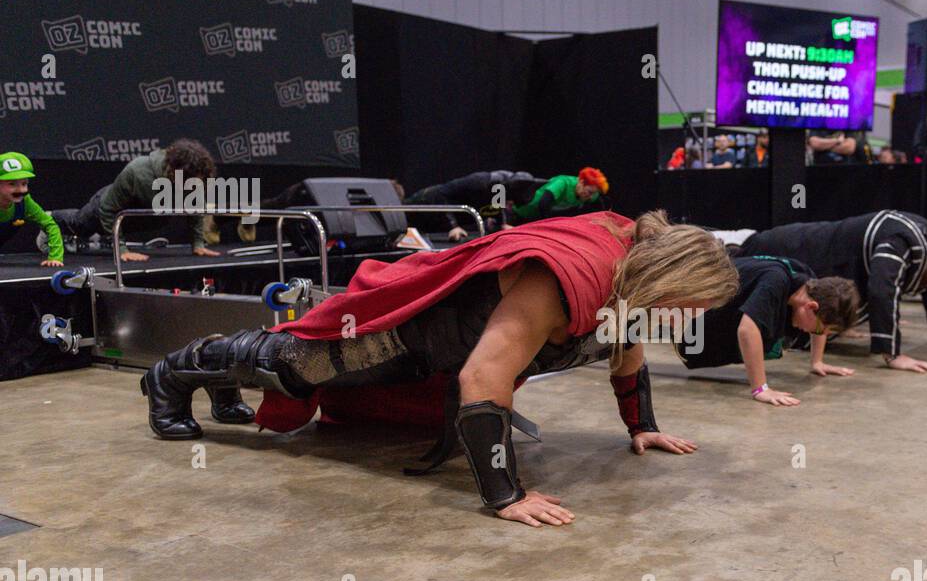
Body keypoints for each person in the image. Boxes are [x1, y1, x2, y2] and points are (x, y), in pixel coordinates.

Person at [140, 210, 739, 527]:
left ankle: (216, 390)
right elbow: (483, 380)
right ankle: (169, 376)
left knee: (287, 368)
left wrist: (641, 425)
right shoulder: (563, 281)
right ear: (669, 281)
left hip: (438, 348)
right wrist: (505, 495)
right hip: (402, 331)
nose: (691, 318)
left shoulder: (633, 285)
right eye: (693, 304)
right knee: (289, 365)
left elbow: (624, 346)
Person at [739, 210, 927, 373]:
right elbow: (882, 289)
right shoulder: (905, 240)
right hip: (790, 247)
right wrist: (893, 354)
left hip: (821, 260)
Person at [675, 256, 859, 406]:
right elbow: (747, 329)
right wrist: (760, 389)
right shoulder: (776, 280)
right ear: (811, 306)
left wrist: (817, 361)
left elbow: (822, 317)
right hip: (689, 321)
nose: (819, 335)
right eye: (820, 330)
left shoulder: (808, 281)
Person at [55, 140, 220, 262]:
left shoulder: (194, 179)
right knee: (78, 224)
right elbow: (108, 209)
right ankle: (50, 219)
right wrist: (121, 250)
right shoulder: (138, 171)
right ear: (173, 172)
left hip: (134, 220)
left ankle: (100, 238)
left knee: (92, 233)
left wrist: (198, 243)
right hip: (105, 208)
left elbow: (196, 208)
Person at [404, 170, 541, 240]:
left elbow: (496, 204)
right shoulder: (479, 182)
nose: (509, 205)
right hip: (423, 205)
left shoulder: (501, 187)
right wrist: (453, 226)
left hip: (442, 216)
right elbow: (442, 194)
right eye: (510, 202)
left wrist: (502, 224)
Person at [0, 153, 65, 267]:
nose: (21, 190)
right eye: (12, 184)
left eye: (24, 184)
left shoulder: (25, 202)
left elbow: (50, 225)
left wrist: (55, 256)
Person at [510, 167, 608, 223]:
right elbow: (544, 203)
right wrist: (547, 224)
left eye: (594, 193)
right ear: (581, 182)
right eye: (590, 192)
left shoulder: (591, 194)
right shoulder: (563, 182)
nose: (590, 197)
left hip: (535, 217)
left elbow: (600, 207)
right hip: (521, 211)